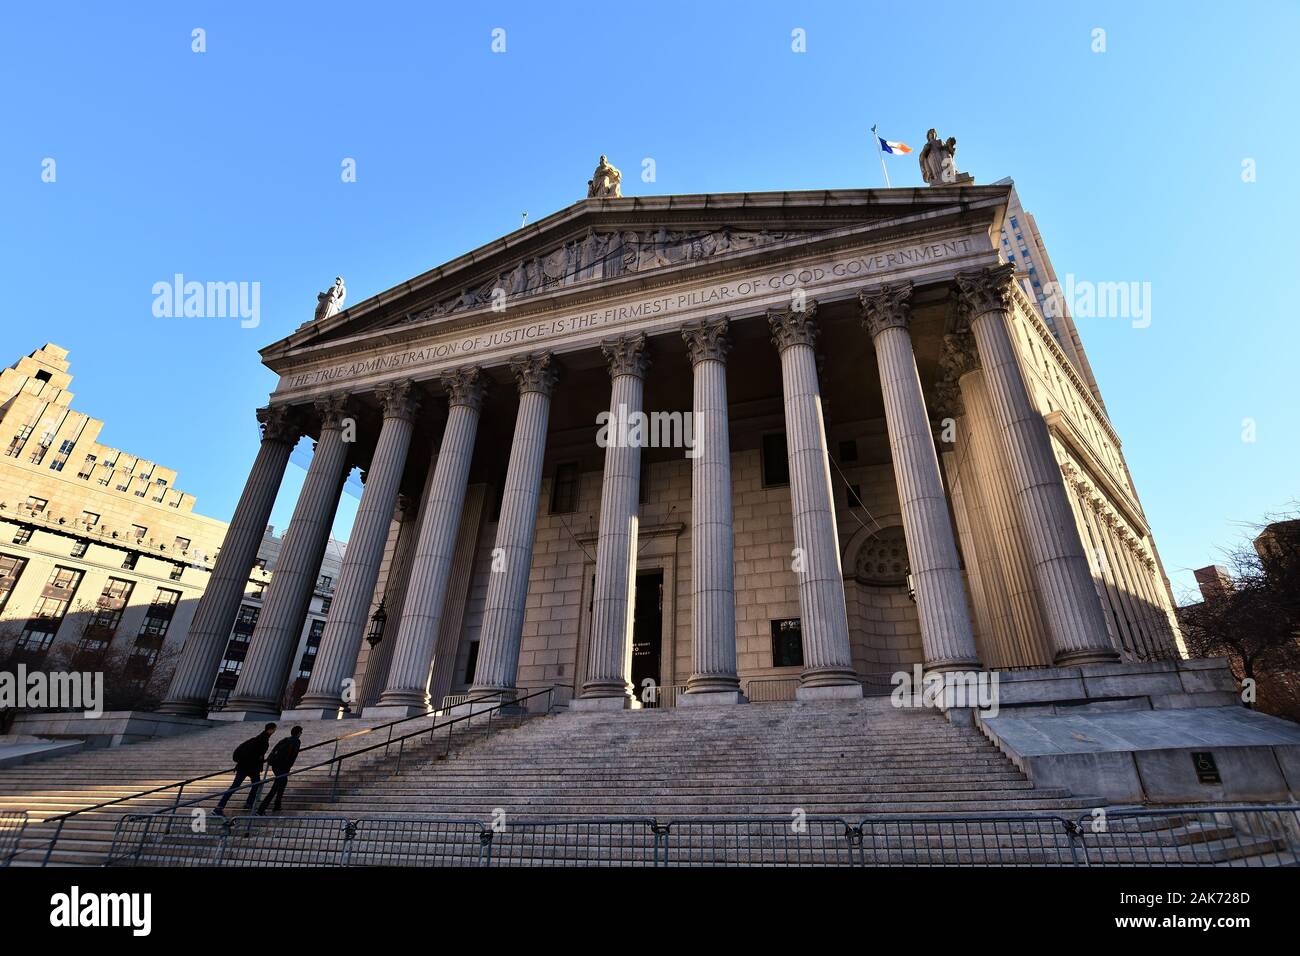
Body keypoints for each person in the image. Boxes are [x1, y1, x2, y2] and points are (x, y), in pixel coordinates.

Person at [213, 723, 276, 816]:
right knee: (255, 784)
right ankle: (248, 803)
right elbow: (258, 756)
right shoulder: (263, 741)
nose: (274, 731)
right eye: (274, 729)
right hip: (251, 768)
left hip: (243, 767)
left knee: (237, 786)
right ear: (270, 730)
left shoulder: (258, 738)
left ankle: (220, 807)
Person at [257, 725, 304, 815]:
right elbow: (292, 756)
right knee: (275, 788)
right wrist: (288, 767)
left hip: (276, 765)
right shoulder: (296, 741)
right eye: (301, 732)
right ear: (298, 733)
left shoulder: (285, 739)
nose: (301, 733)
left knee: (283, 783)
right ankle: (261, 810)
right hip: (283, 767)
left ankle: (277, 805)